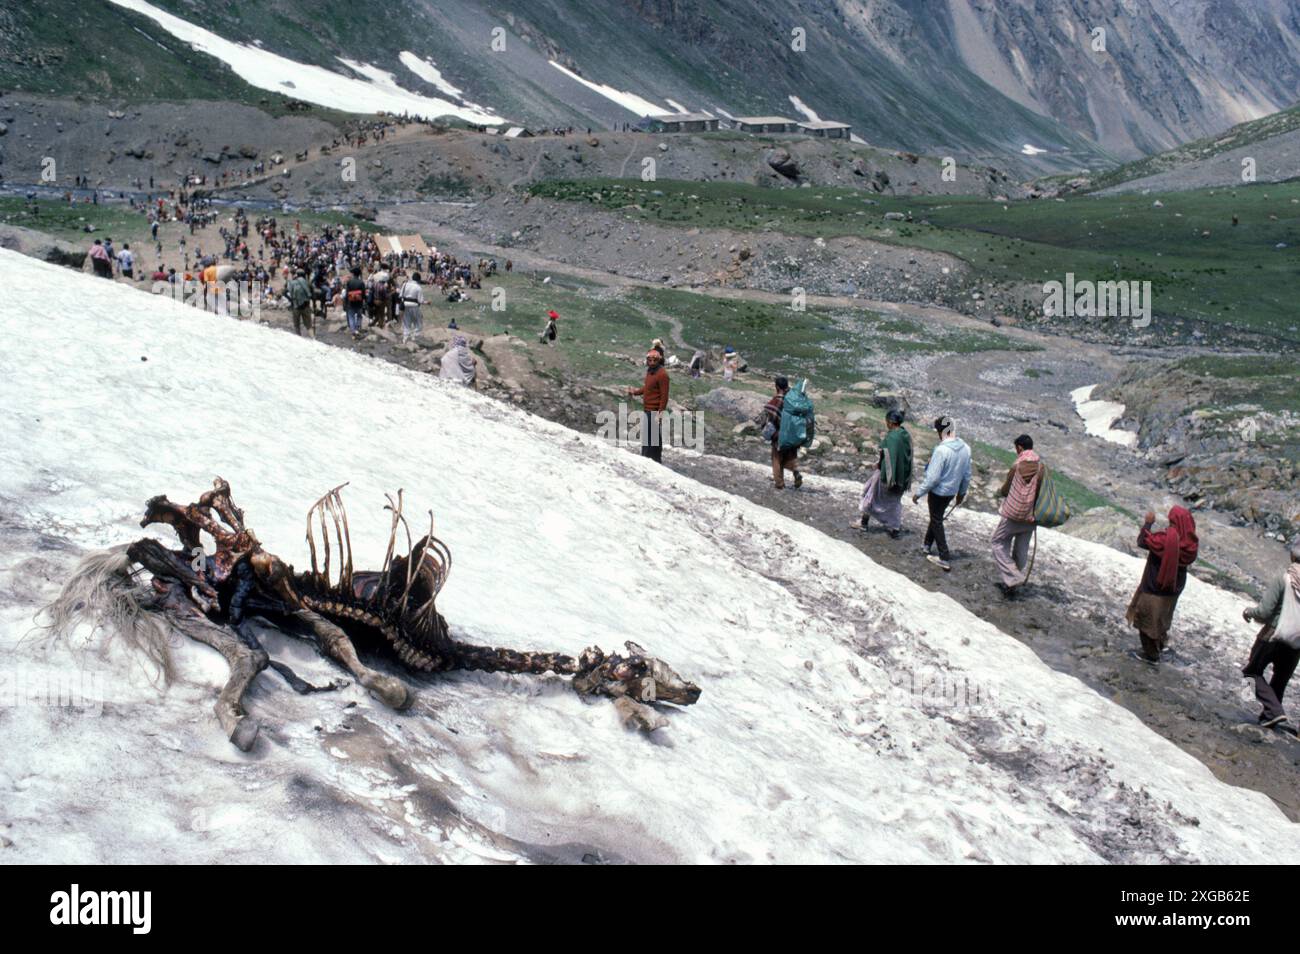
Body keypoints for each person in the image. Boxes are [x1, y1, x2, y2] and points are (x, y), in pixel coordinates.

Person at [1125, 506, 1199, 664]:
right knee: (1162, 619)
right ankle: (1160, 646)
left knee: (1147, 621)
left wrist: (1148, 523)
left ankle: (1150, 655)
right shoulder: (1190, 544)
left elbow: (1142, 541)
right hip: (1173, 588)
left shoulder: (1165, 540)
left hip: (1155, 587)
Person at [1241, 542, 1300, 732]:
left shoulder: (1284, 579)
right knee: (1280, 679)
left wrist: (1249, 612)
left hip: (1273, 635)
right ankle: (1270, 717)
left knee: (1251, 672)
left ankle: (1272, 711)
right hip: (1296, 642)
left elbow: (1265, 611)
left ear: (1292, 556)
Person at [912, 415, 971, 572]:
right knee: (936, 516)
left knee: (936, 519)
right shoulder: (966, 448)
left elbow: (933, 478)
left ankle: (944, 557)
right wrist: (961, 493)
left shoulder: (941, 450)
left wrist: (918, 493)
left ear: (941, 431)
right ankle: (926, 545)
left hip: (938, 492)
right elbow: (966, 475)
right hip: (952, 492)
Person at [990, 434, 1043, 598]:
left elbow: (1006, 489)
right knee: (1021, 550)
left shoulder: (1017, 465)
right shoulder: (1041, 467)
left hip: (1013, 514)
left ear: (1019, 447)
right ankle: (1011, 586)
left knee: (998, 542)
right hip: (1031, 517)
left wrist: (1000, 492)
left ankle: (1013, 577)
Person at [854, 408, 911, 537]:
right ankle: (894, 527)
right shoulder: (905, 435)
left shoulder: (892, 437)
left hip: (888, 475)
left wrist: (881, 467)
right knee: (894, 502)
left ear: (891, 422)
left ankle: (863, 523)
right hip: (902, 476)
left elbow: (886, 454)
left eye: (887, 421)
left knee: (870, 494)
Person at [627, 349, 669, 463]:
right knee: (648, 437)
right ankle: (649, 459)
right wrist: (635, 392)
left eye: (654, 360)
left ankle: (651, 460)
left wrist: (660, 413)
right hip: (647, 409)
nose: (651, 362)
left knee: (652, 439)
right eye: (649, 359)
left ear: (659, 360)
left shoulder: (662, 374)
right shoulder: (650, 372)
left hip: (655, 411)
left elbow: (664, 397)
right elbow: (647, 388)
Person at [762, 376, 801, 489]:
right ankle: (796, 471)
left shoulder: (777, 400)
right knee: (790, 456)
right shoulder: (794, 398)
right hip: (793, 434)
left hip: (780, 435)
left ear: (777, 387)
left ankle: (779, 484)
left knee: (777, 459)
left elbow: (769, 412)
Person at [286, 268, 313, 338]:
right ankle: (313, 338)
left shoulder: (292, 282)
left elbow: (288, 292)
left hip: (296, 306)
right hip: (306, 306)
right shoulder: (306, 282)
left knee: (296, 325)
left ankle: (299, 338)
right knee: (309, 325)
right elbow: (311, 292)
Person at [399, 271, 425, 343]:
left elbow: (401, 295)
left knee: (406, 323)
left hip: (405, 305)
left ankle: (405, 338)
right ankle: (415, 338)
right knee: (418, 322)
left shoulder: (405, 284)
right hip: (414, 306)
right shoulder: (418, 287)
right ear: (419, 280)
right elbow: (420, 301)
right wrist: (427, 302)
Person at [344, 267, 366, 338]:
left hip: (351, 302)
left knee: (351, 316)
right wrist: (364, 300)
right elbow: (363, 294)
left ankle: (353, 331)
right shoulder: (361, 282)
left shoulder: (349, 282)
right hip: (359, 302)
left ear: (353, 274)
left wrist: (346, 302)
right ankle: (357, 329)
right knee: (359, 316)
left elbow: (347, 293)